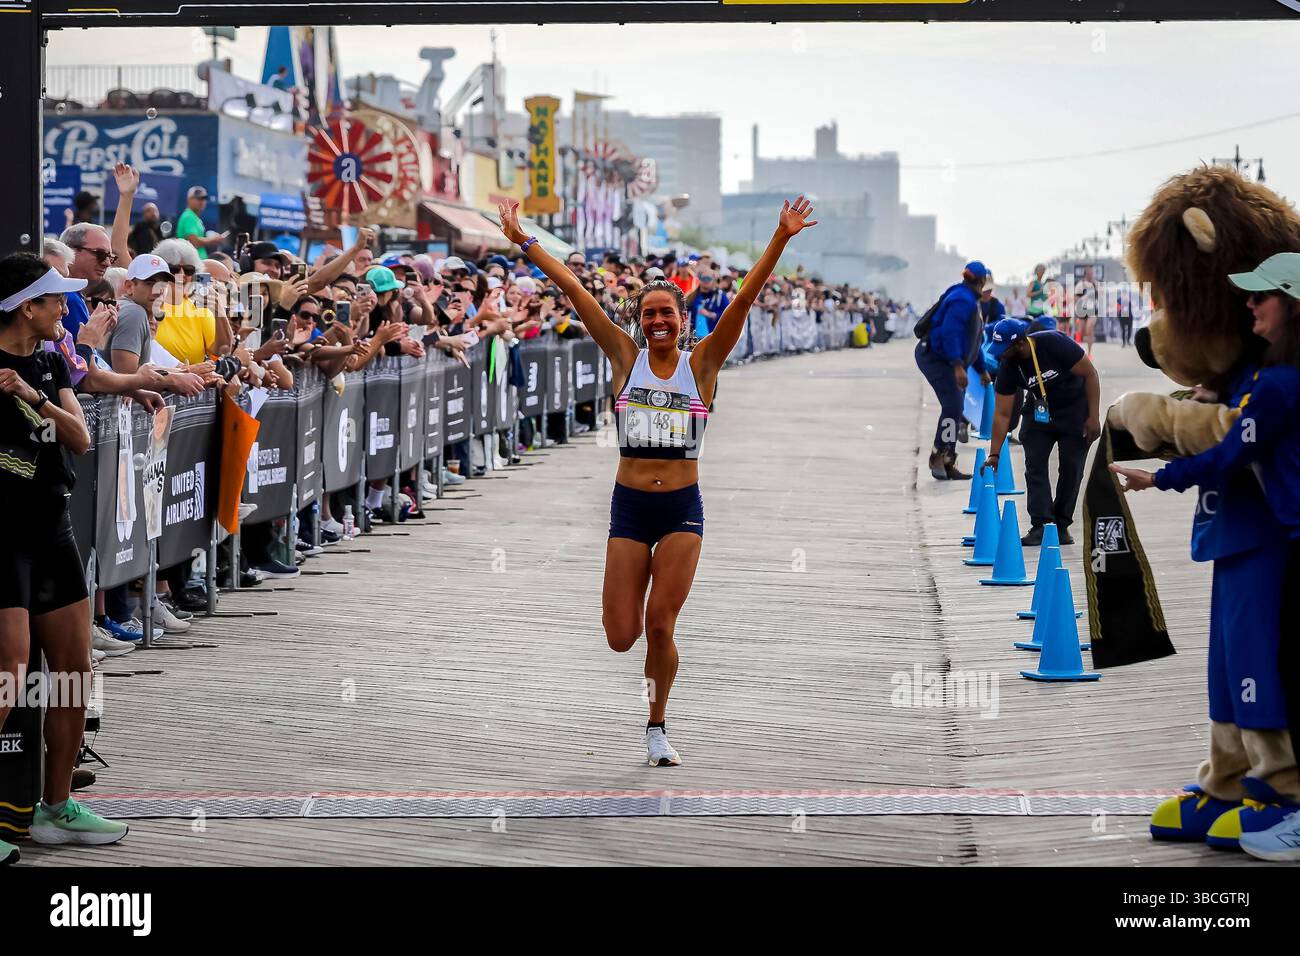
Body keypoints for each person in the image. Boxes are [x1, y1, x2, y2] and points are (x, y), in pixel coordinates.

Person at [496, 194, 817, 767]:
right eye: (649, 314)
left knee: (659, 624)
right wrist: (524, 241)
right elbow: (575, 291)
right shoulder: (624, 357)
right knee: (621, 635)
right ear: (639, 324)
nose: (659, 321)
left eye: (668, 313)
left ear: (683, 320)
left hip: (681, 512)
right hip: (628, 508)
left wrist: (781, 239)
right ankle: (649, 700)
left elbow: (743, 300)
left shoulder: (703, 365)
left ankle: (657, 725)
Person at [1110, 252, 1300, 860]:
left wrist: (1158, 478)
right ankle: (1227, 785)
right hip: (1238, 536)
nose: (1248, 307)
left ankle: (1285, 794)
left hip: (1274, 539)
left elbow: (1228, 450)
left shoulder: (1278, 385)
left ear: (1292, 306)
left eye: (1261, 297)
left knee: (1258, 665)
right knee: (1226, 667)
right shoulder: (1260, 380)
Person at [0, 253, 130, 866]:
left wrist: (35, 398)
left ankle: (55, 809)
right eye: (56, 300)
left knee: (75, 669)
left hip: (52, 527)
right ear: (27, 306)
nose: (66, 310)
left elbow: (78, 437)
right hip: (3, 535)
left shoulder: (50, 361)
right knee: (9, 673)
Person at [984, 317, 1100, 545]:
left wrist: (1093, 417)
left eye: (1003, 349)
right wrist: (994, 454)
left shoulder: (1054, 343)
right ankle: (1041, 524)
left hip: (1074, 408)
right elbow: (1002, 414)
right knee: (1034, 464)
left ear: (1019, 344)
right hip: (1040, 411)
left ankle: (1062, 524)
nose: (999, 355)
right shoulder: (1008, 365)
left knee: (1071, 467)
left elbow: (1090, 374)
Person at [914, 261, 990, 481]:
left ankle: (948, 459)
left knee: (955, 410)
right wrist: (957, 365)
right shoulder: (962, 300)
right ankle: (939, 454)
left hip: (948, 360)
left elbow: (974, 341)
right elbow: (951, 333)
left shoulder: (968, 299)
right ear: (982, 281)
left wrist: (981, 369)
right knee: (953, 407)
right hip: (936, 358)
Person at [176, 186, 226, 260]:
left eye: (204, 199)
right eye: (199, 198)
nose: (202, 202)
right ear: (189, 199)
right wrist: (214, 239)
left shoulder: (193, 217)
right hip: (192, 263)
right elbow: (194, 242)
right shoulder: (189, 217)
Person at [1074, 265, 1100, 355]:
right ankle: (1078, 352)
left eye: (1092, 273)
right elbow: (1076, 298)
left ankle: (1089, 353)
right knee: (1081, 332)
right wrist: (1084, 298)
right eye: (1089, 273)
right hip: (1082, 310)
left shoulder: (1095, 284)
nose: (1091, 275)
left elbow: (1100, 295)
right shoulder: (1080, 284)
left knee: (1089, 330)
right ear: (1085, 274)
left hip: (1092, 310)